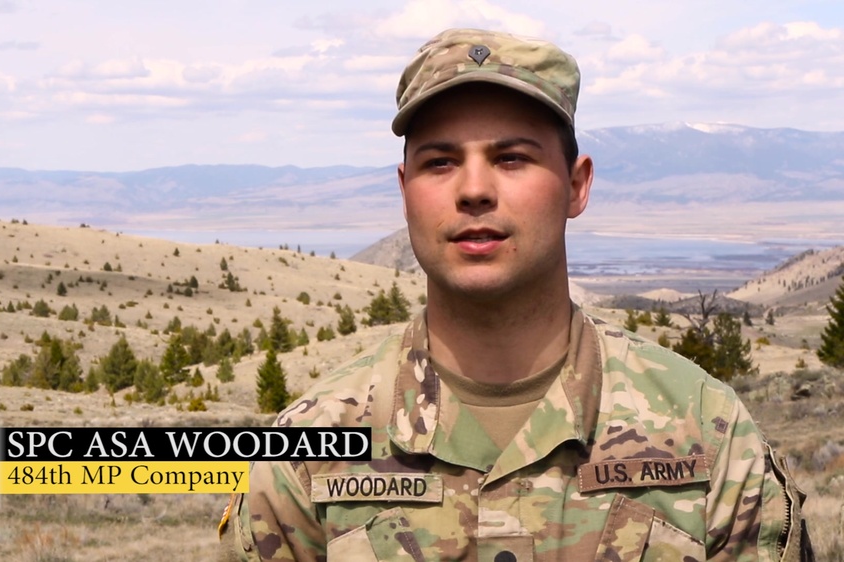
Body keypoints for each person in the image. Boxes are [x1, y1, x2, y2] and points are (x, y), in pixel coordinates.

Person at [219, 28, 813, 561]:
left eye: (511, 158)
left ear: (577, 186)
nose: (474, 190)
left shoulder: (705, 433)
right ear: (405, 190)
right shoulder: (306, 451)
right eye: (440, 162)